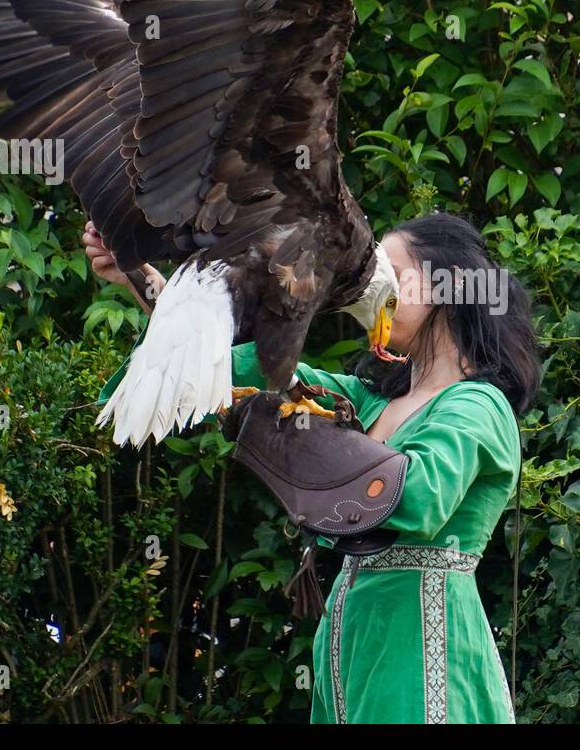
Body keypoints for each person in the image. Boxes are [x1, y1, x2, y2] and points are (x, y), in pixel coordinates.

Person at [86, 212, 541, 723]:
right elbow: (234, 364)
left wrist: (315, 451)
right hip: (348, 640)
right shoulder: (366, 401)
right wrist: (142, 280)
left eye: (391, 268)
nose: (371, 281)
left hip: (423, 642)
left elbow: (416, 498)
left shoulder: (477, 405)